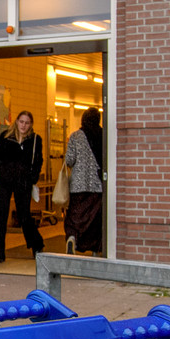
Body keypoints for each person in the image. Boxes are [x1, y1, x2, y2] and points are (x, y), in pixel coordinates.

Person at [0, 109, 45, 262]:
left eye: (27, 123)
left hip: (23, 182)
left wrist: (33, 178)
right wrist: (1, 174)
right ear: (16, 122)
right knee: (1, 215)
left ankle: (36, 243)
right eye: (21, 122)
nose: (23, 125)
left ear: (31, 124)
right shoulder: (6, 137)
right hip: (4, 182)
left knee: (24, 215)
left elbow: (39, 160)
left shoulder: (35, 140)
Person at [62, 107, 103, 256]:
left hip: (78, 186)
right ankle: (94, 250)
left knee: (75, 215)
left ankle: (72, 237)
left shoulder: (75, 136)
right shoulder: (102, 135)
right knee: (94, 219)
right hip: (97, 186)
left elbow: (69, 160)